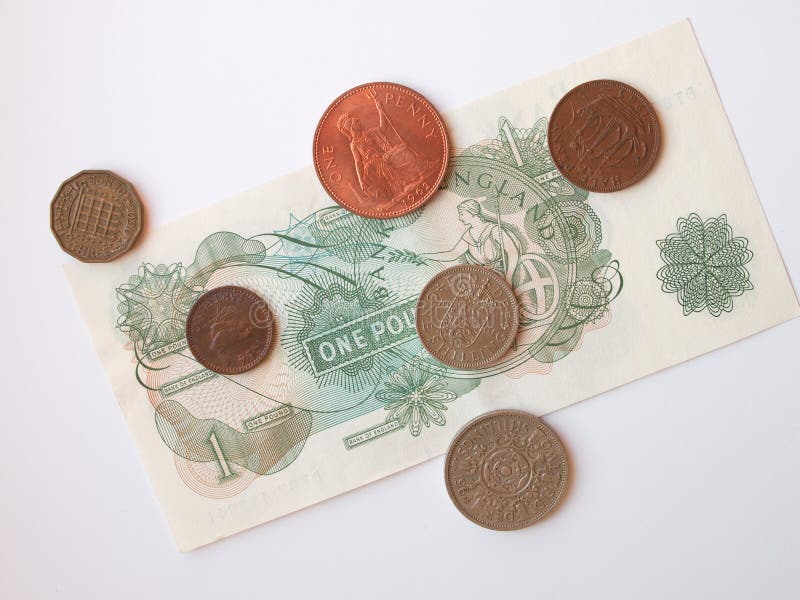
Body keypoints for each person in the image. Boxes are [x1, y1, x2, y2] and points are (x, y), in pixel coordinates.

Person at [337, 94, 432, 205]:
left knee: (402, 149)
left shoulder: (369, 134)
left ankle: (422, 167)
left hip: (384, 156)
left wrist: (380, 110)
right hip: (372, 165)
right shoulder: (354, 144)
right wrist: (361, 180)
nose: (360, 123)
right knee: (381, 162)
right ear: (352, 128)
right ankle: (401, 185)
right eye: (357, 123)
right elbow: (358, 162)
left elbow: (382, 127)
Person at [422, 198, 523, 277]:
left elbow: (513, 252)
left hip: (501, 273)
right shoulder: (468, 235)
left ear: (472, 212)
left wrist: (509, 276)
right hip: (481, 275)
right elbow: (452, 254)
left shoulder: (494, 229)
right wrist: (425, 256)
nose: (460, 218)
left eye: (462, 214)